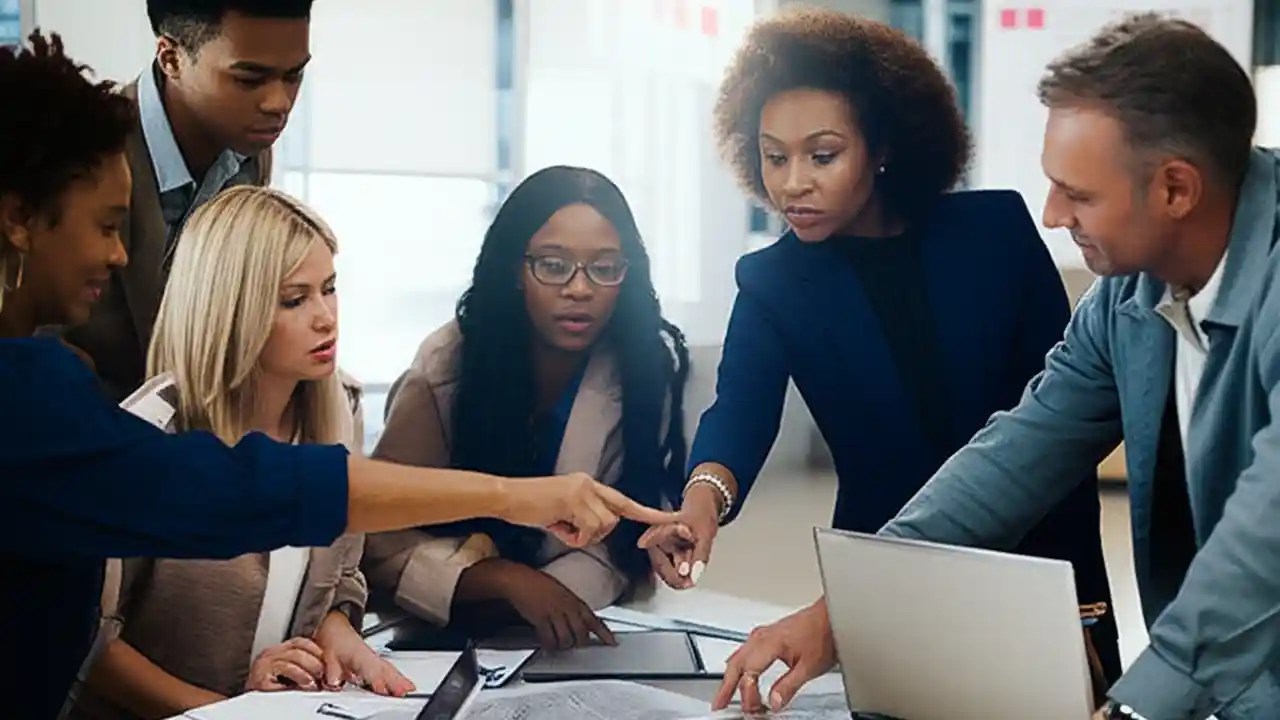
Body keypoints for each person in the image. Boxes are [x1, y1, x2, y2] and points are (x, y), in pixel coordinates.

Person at [0, 34, 673, 719]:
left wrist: (326, 637)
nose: (120, 256)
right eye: (108, 224)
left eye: (330, 289)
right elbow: (241, 497)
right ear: (20, 219)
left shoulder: (334, 408)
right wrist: (513, 498)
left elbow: (330, 573)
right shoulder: (45, 401)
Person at [715, 13, 1280, 720]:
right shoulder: (1125, 297)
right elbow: (1018, 451)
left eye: (1078, 194)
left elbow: (1267, 538)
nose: (1050, 214)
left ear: (1174, 189)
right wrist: (842, 615)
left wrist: (1133, 707)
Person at [638, 3, 1117, 682]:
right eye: (773, 157)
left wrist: (1080, 606)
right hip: (883, 559)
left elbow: (1064, 419)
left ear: (885, 147)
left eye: (822, 154)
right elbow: (739, 413)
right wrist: (698, 506)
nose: (792, 182)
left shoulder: (997, 233)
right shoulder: (774, 279)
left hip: (1038, 559)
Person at [70, 186, 412, 719]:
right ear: (230, 308)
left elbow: (341, 576)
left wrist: (340, 635)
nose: (326, 318)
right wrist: (221, 712)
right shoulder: (148, 433)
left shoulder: (341, 408)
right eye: (295, 299)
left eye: (330, 288)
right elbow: (91, 643)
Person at [365, 166, 690, 650]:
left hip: (571, 616)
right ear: (514, 270)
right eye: (554, 266)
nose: (580, 290)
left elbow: (626, 532)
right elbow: (379, 534)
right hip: (438, 622)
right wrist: (505, 582)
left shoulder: (643, 364)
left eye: (604, 268)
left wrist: (556, 592)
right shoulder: (448, 365)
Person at [67, 0, 314, 400]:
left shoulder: (250, 153)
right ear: (171, 58)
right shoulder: (85, 149)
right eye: (249, 79)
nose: (279, 103)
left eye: (294, 76)